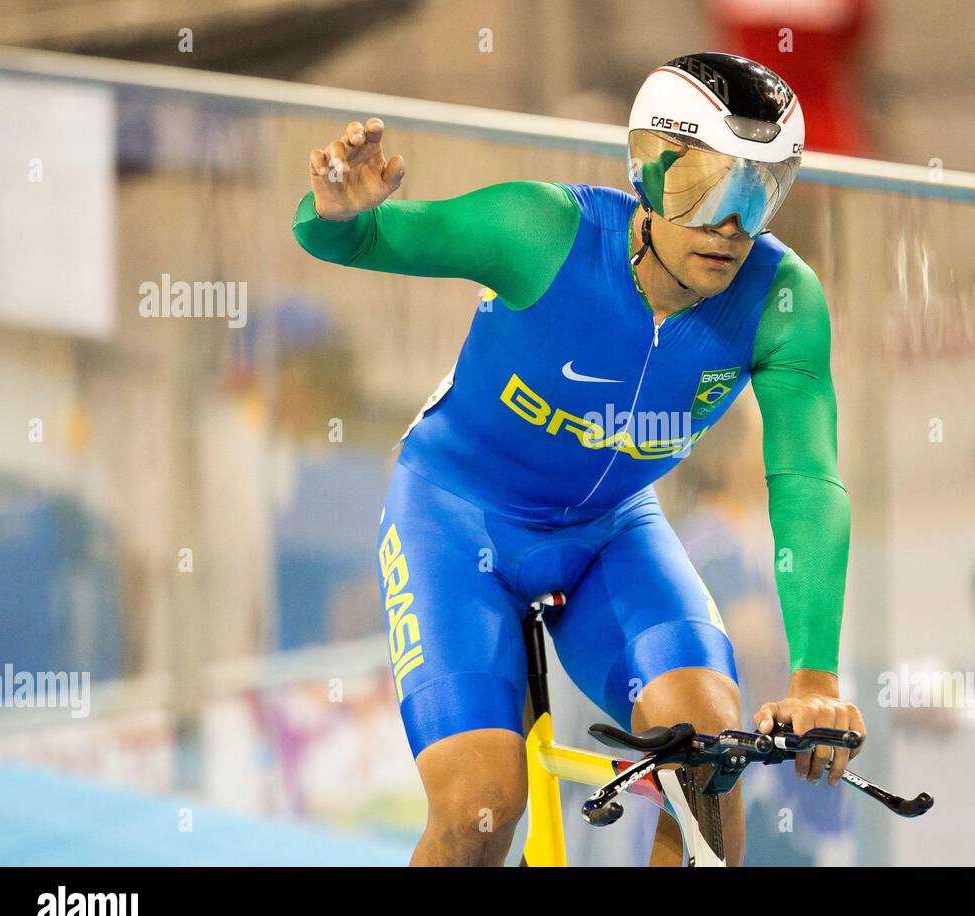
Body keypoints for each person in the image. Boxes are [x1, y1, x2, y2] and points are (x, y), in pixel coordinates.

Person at [291, 51, 863, 867]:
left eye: (761, 191)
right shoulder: (542, 232)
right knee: (480, 811)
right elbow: (355, 238)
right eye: (706, 186)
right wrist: (339, 215)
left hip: (609, 533)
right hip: (455, 520)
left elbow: (807, 481)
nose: (732, 225)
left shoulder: (782, 299)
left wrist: (816, 679)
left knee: (711, 761)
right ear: (643, 169)